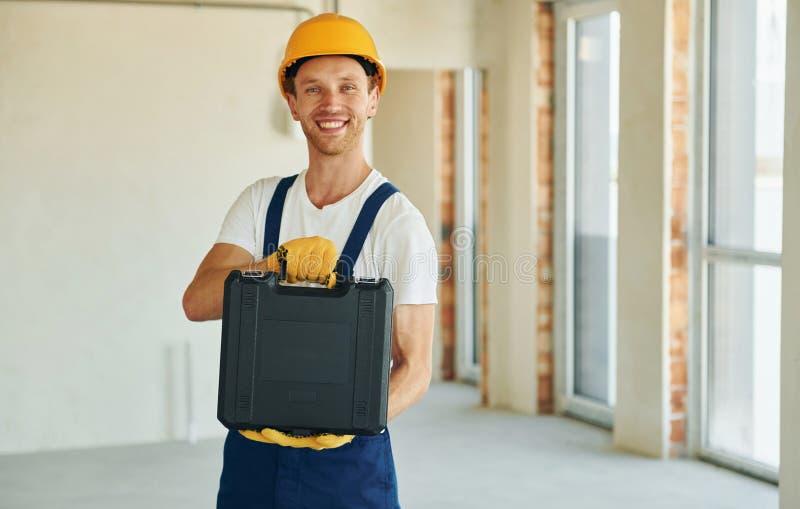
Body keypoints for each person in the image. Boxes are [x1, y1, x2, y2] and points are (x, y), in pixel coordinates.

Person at [182, 12, 438, 509]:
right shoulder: (261, 204)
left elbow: (416, 369)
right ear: (293, 103)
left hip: (348, 465)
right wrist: (272, 266)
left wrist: (350, 421)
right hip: (253, 457)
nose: (332, 103)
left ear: (373, 97)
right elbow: (197, 301)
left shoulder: (398, 224)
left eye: (348, 86)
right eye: (314, 89)